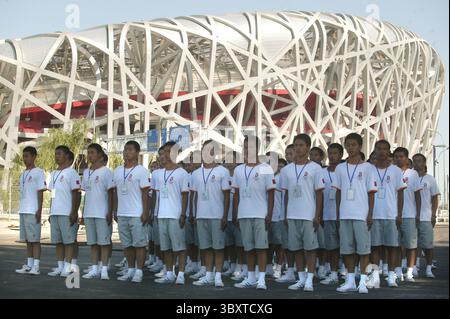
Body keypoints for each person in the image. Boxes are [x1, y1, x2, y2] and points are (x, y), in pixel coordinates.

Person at [332, 133, 377, 294]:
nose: (350, 148)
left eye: (353, 145)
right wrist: (338, 213)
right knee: (347, 249)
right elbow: (338, 193)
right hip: (345, 214)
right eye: (348, 145)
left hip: (361, 214)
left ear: (360, 146)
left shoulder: (368, 168)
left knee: (363, 249)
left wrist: (370, 214)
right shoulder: (340, 168)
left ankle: (363, 281)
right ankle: (350, 280)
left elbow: (372, 193)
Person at [280, 134, 325, 292]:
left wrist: (317, 215)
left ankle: (310, 280)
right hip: (292, 215)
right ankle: (301, 278)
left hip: (308, 215)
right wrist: (285, 214)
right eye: (295, 145)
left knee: (310, 249)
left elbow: (319, 194)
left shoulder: (315, 168)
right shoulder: (286, 170)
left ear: (307, 147)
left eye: (301, 145)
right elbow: (285, 195)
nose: (298, 148)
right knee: (296, 249)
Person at [232, 135, 275, 290]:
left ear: (257, 149)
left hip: (260, 214)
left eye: (251, 147)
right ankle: (250, 277)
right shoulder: (238, 170)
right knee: (248, 248)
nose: (247, 150)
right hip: (244, 214)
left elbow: (271, 193)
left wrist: (269, 214)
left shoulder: (265, 168)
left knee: (261, 248)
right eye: (245, 147)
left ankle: (261, 279)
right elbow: (236, 195)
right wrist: (235, 214)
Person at [191, 140, 231, 287]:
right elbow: (195, 197)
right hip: (202, 215)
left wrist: (225, 216)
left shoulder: (223, 171)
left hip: (217, 215)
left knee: (218, 247)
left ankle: (218, 276)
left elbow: (227, 196)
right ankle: (208, 275)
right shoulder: (196, 174)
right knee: (205, 247)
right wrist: (195, 214)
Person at [367, 140, 406, 288]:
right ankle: (375, 276)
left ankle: (391, 276)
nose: (382, 152)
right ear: (375, 151)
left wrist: (400, 214)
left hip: (391, 214)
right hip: (374, 215)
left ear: (389, 152)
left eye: (385, 149)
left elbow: (401, 194)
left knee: (392, 247)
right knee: (375, 247)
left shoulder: (395, 171)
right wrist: (368, 214)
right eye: (379, 149)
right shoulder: (369, 170)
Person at [113, 140, 151, 283]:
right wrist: (115, 210)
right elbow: (115, 193)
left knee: (139, 244)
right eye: (125, 149)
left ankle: (139, 271)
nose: (126, 152)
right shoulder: (117, 171)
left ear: (137, 153)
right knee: (127, 244)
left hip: (137, 213)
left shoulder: (142, 171)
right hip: (122, 213)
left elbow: (145, 193)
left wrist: (145, 212)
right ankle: (130, 270)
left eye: (130, 150)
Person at [153, 141, 190, 285]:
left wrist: (183, 214)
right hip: (162, 215)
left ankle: (181, 273)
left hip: (175, 215)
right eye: (162, 153)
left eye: (168, 152)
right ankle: (169, 273)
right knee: (166, 248)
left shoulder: (182, 173)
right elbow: (157, 197)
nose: (164, 156)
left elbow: (185, 195)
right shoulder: (158, 174)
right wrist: (155, 214)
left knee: (179, 247)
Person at [81, 143, 114, 280]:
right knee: (93, 243)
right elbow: (85, 194)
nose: (90, 155)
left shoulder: (106, 172)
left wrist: (110, 212)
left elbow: (111, 194)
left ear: (100, 155)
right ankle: (94, 268)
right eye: (88, 152)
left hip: (102, 213)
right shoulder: (86, 172)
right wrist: (82, 213)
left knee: (104, 243)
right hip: (89, 213)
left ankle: (104, 269)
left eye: (93, 152)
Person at [47, 145, 82, 277]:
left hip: (67, 213)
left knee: (69, 241)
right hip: (55, 212)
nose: (56, 156)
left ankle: (68, 266)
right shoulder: (54, 173)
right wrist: (50, 212)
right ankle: (60, 266)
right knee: (58, 242)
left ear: (67, 156)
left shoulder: (72, 173)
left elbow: (76, 193)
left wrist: (74, 211)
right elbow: (52, 195)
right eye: (56, 154)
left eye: (59, 154)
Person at [15, 146, 46, 276]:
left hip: (33, 210)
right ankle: (29, 264)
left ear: (34, 157)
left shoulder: (38, 172)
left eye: (27, 156)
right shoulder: (23, 173)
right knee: (28, 240)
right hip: (23, 210)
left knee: (35, 240)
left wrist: (39, 209)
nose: (25, 158)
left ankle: (36, 266)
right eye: (24, 156)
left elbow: (40, 192)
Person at [319, 143, 344, 285]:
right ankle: (333, 273)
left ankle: (348, 271)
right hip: (328, 215)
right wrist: (320, 214)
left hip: (344, 215)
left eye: (335, 153)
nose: (332, 156)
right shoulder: (322, 172)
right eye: (330, 153)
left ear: (341, 155)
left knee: (346, 246)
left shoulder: (344, 171)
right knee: (332, 247)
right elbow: (319, 195)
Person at [412, 154, 440, 278]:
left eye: (419, 161)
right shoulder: (410, 178)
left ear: (424, 163)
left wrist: (433, 214)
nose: (416, 163)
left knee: (428, 245)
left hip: (425, 217)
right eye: (414, 161)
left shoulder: (430, 179)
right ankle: (415, 266)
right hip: (412, 216)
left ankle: (429, 268)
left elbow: (435, 198)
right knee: (414, 245)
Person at [268, 157, 287, 279]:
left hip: (279, 216)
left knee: (280, 245)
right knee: (268, 244)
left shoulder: (282, 178)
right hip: (267, 215)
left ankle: (279, 267)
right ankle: (269, 267)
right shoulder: (265, 177)